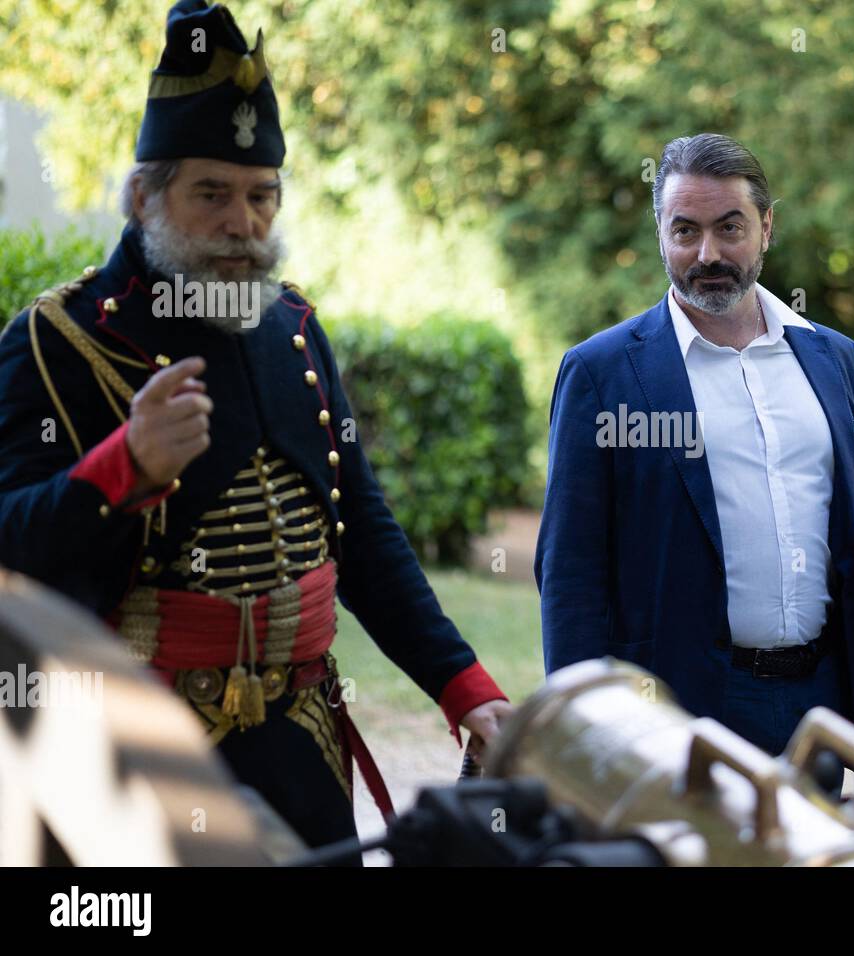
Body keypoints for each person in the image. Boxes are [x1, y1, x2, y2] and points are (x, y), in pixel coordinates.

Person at [0, 0, 512, 851]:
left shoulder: (294, 329)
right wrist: (119, 470)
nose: (243, 224)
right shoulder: (59, 344)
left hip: (301, 727)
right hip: (133, 741)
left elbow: (363, 532)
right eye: (212, 194)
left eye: (261, 196)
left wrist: (464, 686)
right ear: (141, 196)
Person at [535, 133, 854, 785]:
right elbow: (571, 569)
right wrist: (585, 726)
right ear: (660, 233)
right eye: (685, 230)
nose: (708, 253)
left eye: (730, 227)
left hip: (822, 707)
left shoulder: (835, 360)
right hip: (673, 716)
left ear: (767, 227)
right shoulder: (602, 373)